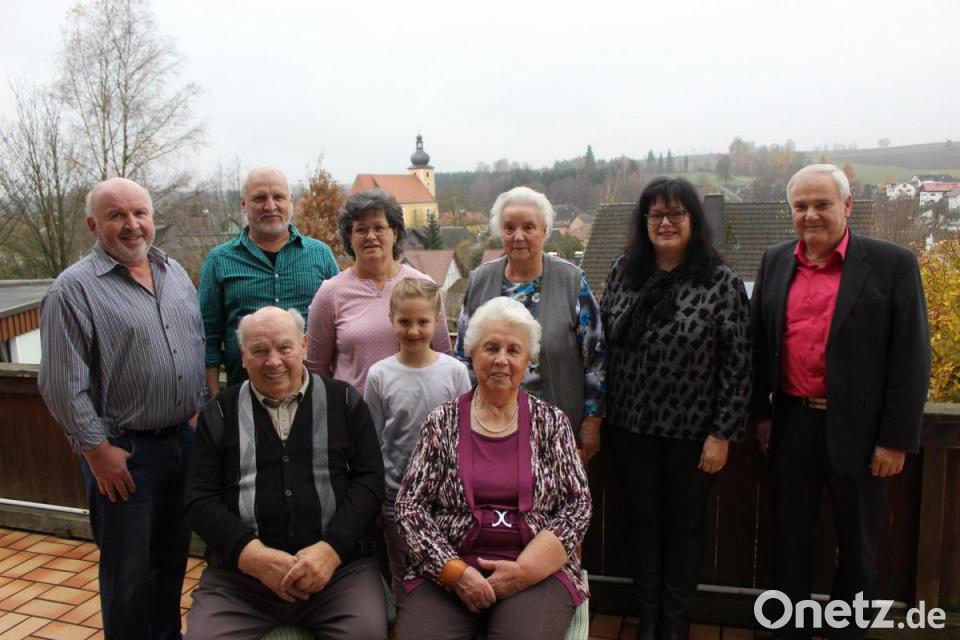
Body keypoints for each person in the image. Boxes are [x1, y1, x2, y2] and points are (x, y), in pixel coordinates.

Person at [751, 164, 930, 639]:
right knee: (789, 544)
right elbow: (757, 346)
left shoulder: (892, 264)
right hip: (792, 425)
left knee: (858, 549)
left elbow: (911, 358)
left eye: (822, 204)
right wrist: (764, 416)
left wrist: (895, 440)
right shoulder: (774, 261)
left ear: (847, 206)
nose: (810, 215)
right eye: (801, 206)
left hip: (862, 431)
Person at [38, 177, 205, 640]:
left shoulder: (174, 273)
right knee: (129, 575)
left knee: (171, 565)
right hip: (124, 455)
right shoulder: (72, 291)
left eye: (140, 213)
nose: (132, 225)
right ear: (94, 225)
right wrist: (97, 452)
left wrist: (194, 409)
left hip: (182, 444)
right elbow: (59, 384)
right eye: (117, 216)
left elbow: (193, 343)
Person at [601, 177, 751, 640]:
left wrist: (722, 434)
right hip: (630, 429)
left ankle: (675, 621)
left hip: (693, 435)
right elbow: (601, 346)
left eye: (676, 214)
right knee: (642, 525)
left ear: (693, 221)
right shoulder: (623, 272)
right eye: (656, 215)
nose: (666, 222)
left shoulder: (719, 280)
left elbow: (739, 363)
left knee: (685, 531)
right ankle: (648, 617)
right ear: (644, 222)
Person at [395, 297, 591, 640]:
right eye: (491, 348)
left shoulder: (552, 423)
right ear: (473, 353)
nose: (501, 359)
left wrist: (524, 571)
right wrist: (455, 572)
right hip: (450, 566)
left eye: (513, 350)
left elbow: (578, 505)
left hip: (535, 570)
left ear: (527, 360)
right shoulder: (442, 423)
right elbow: (409, 507)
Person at [184, 306, 386, 640]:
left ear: (304, 346)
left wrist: (331, 549)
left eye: (284, 347)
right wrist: (253, 556)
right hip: (241, 581)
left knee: (366, 634)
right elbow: (198, 500)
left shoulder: (346, 402)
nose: (273, 361)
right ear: (244, 357)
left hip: (339, 572)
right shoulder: (219, 412)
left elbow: (369, 482)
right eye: (259, 351)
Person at [455, 186, 604, 461]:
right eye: (509, 228)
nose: (518, 236)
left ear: (545, 231)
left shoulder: (571, 282)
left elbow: (596, 360)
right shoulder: (479, 281)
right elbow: (464, 357)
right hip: (489, 431)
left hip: (558, 433)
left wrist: (592, 422)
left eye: (529, 227)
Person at [363, 278, 472, 602]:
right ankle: (408, 616)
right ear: (391, 320)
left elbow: (467, 436)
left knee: (448, 563)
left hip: (447, 496)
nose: (413, 331)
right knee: (403, 566)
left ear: (437, 320)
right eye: (405, 322)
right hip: (397, 493)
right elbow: (371, 439)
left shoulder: (454, 372)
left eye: (422, 322)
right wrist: (379, 496)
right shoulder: (379, 375)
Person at [199, 167, 339, 395]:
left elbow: (339, 323)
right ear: (243, 204)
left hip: (312, 395)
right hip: (242, 395)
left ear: (291, 201)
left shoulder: (320, 254)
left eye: (278, 197)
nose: (270, 206)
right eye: (260, 198)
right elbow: (208, 338)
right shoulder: (219, 260)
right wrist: (215, 403)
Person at [306, 188, 451, 391]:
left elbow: (444, 354)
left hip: (415, 411)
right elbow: (316, 367)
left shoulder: (423, 286)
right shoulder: (330, 293)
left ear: (396, 232)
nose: (370, 236)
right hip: (353, 416)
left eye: (379, 228)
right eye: (361, 229)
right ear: (349, 237)